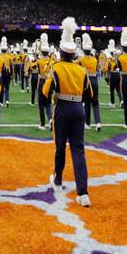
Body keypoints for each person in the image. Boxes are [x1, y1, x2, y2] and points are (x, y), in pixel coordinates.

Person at [42, 17, 92, 207]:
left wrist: (56, 95)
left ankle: (58, 180)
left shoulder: (56, 67)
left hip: (62, 109)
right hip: (79, 110)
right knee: (78, 150)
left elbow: (45, 92)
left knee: (60, 147)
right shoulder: (81, 71)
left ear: (61, 52)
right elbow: (90, 94)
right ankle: (83, 192)